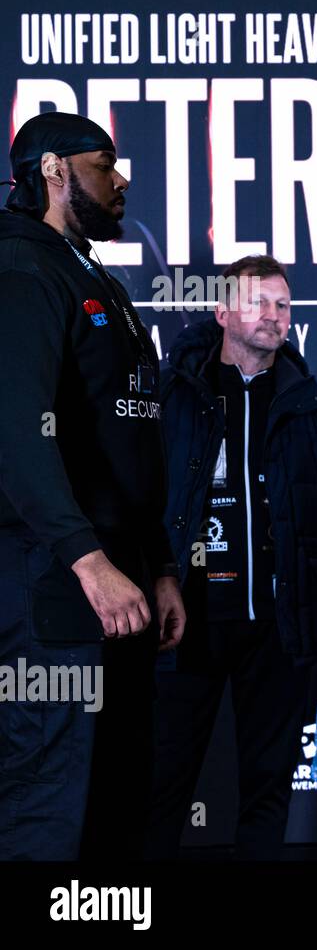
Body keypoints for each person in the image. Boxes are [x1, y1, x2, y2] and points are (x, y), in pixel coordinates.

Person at [0, 111, 184, 859]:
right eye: (104, 165)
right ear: (52, 172)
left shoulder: (89, 273)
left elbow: (127, 446)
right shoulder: (21, 271)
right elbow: (16, 435)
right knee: (52, 798)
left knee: (116, 794)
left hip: (122, 580)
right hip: (55, 582)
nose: (122, 180)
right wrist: (87, 561)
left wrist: (161, 565)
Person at [145, 254, 317, 860]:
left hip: (278, 626)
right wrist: (160, 578)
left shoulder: (308, 405)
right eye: (257, 302)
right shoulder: (176, 395)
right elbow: (146, 503)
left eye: (282, 304)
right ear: (222, 313)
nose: (272, 316)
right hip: (187, 622)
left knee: (268, 789)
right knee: (163, 783)